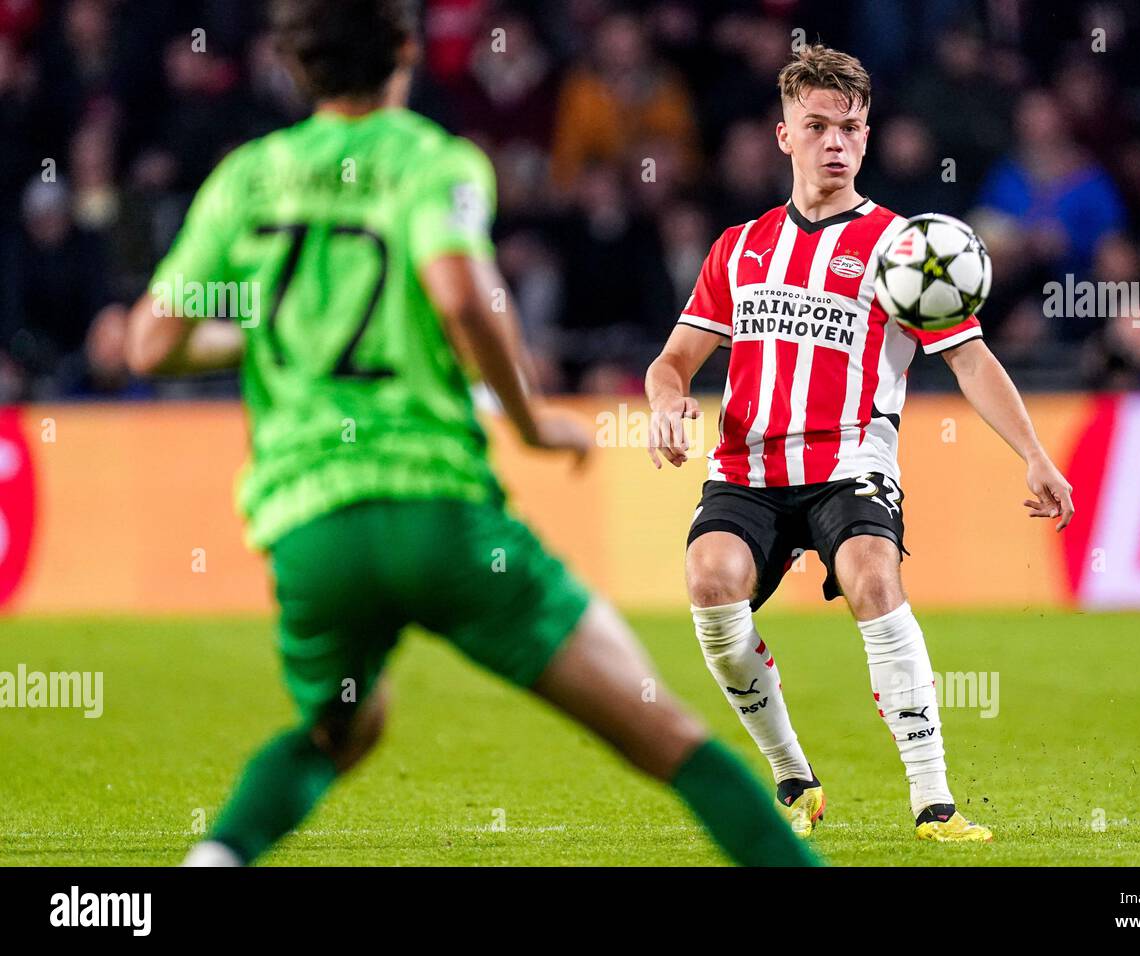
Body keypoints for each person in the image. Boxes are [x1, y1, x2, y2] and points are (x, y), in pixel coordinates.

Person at [125, 0, 819, 868]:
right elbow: (460, 296)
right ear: (406, 53)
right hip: (435, 508)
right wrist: (529, 422)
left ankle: (214, 859)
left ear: (296, 68)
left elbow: (150, 341)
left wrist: (273, 322)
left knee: (341, 728)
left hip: (307, 523)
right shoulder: (431, 161)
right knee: (662, 729)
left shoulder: (247, 177)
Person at [645, 45, 1076, 842]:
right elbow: (674, 359)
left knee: (873, 579)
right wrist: (666, 402)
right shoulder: (738, 248)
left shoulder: (902, 249)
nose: (834, 143)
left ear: (867, 137)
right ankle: (791, 777)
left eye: (849, 127)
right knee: (709, 583)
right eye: (817, 126)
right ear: (785, 136)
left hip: (850, 462)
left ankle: (934, 801)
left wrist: (1034, 453)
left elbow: (971, 359)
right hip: (749, 466)